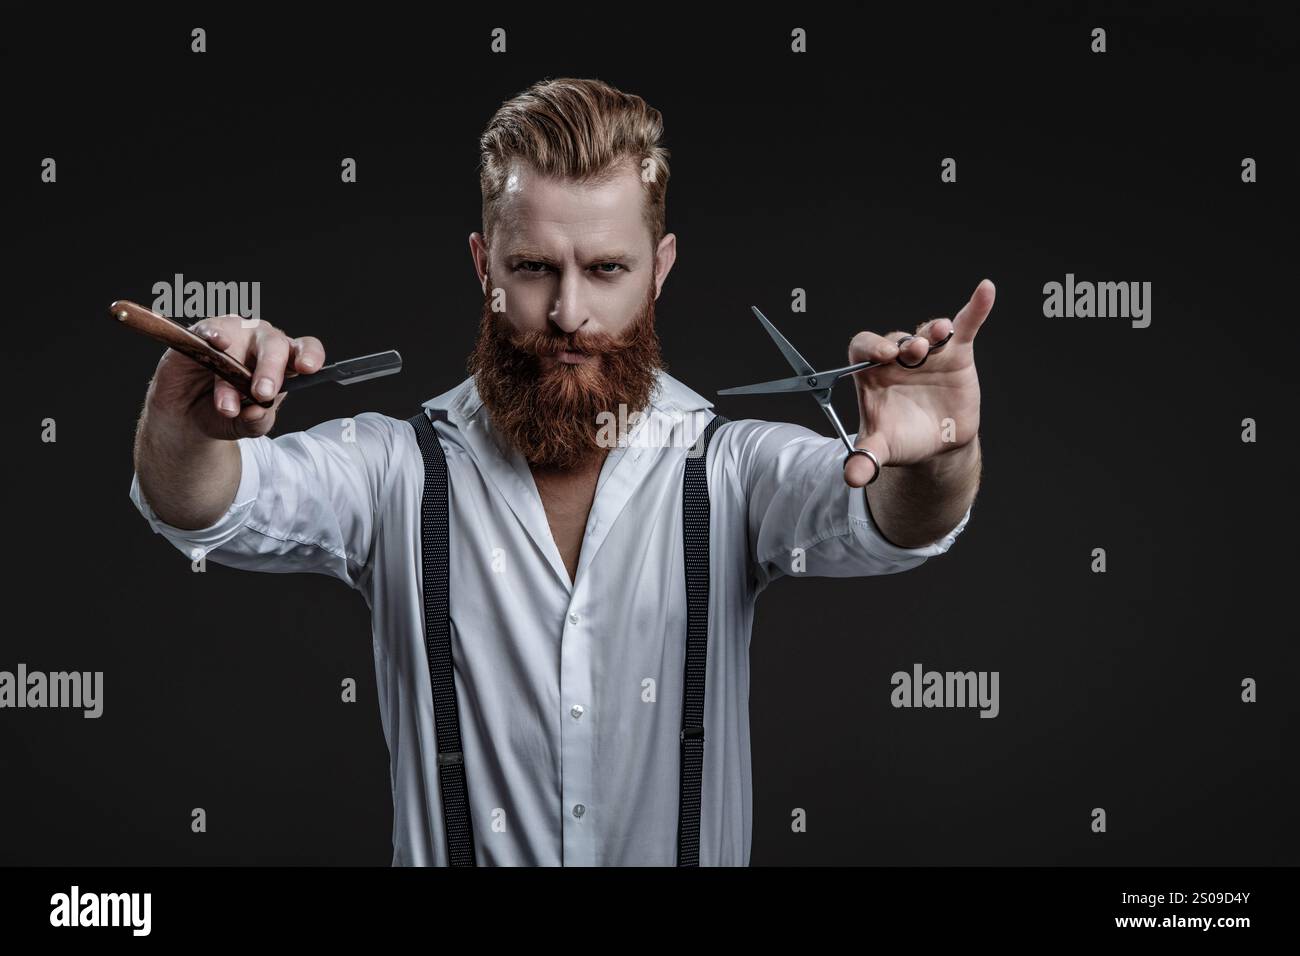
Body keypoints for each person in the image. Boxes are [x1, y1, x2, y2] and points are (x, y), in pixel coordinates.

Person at [128, 77, 988, 866]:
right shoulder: (396, 472)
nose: (569, 313)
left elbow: (893, 519)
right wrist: (186, 416)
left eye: (606, 269)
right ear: (483, 267)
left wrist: (939, 447)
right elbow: (204, 501)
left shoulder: (726, 470)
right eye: (533, 268)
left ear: (660, 271)